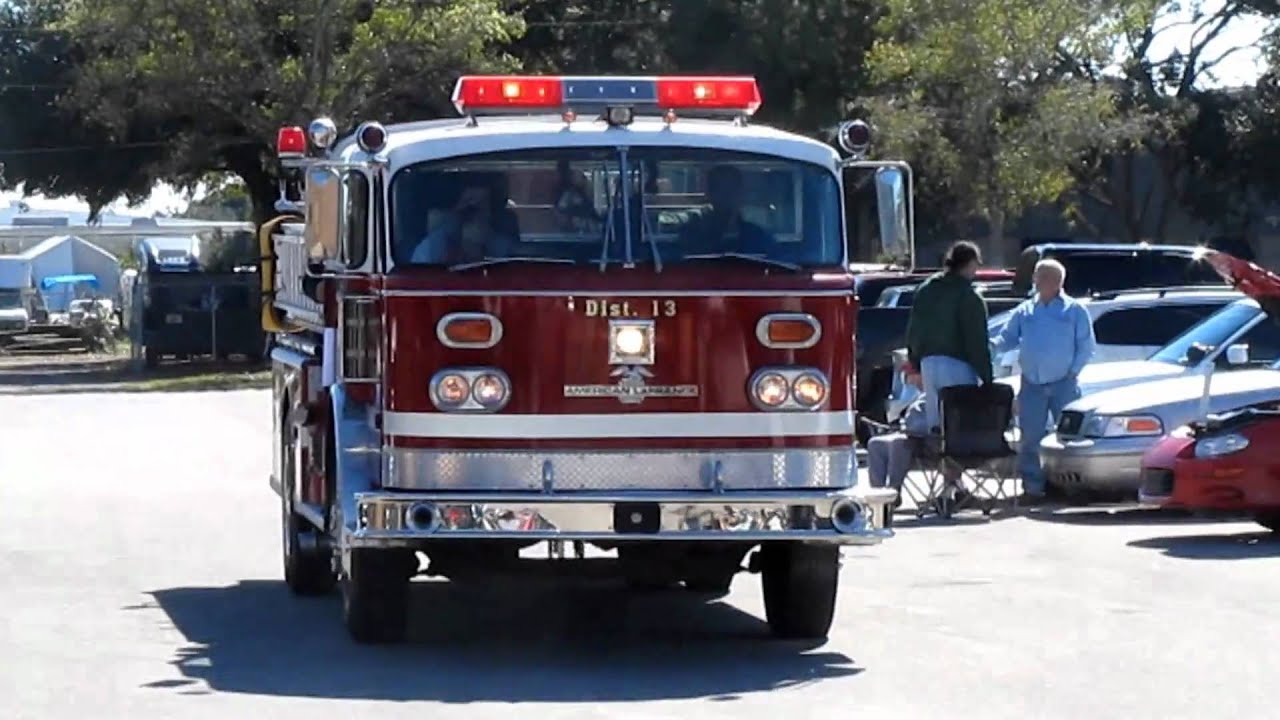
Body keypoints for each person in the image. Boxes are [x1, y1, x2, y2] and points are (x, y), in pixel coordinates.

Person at [992, 258, 1096, 500]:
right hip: (1032, 385)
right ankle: (1033, 487)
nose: (1035, 280)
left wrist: (1072, 372)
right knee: (1030, 437)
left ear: (1055, 281)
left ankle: (1070, 486)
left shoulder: (1075, 310)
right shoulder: (1026, 310)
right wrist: (989, 346)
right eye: (1036, 276)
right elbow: (1007, 338)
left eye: (1040, 276)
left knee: (1069, 438)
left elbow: (1086, 346)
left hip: (1064, 384)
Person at [904, 240, 993, 435]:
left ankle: (942, 464)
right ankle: (956, 465)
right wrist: (987, 379)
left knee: (936, 427)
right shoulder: (968, 296)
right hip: (957, 365)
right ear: (970, 264)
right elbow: (976, 341)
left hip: (928, 365)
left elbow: (914, 331)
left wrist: (915, 363)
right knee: (959, 426)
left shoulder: (926, 290)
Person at [678, 165, 773, 253]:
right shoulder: (692, 234)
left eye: (731, 190)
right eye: (720, 190)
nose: (727, 197)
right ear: (710, 195)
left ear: (741, 194)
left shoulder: (758, 237)